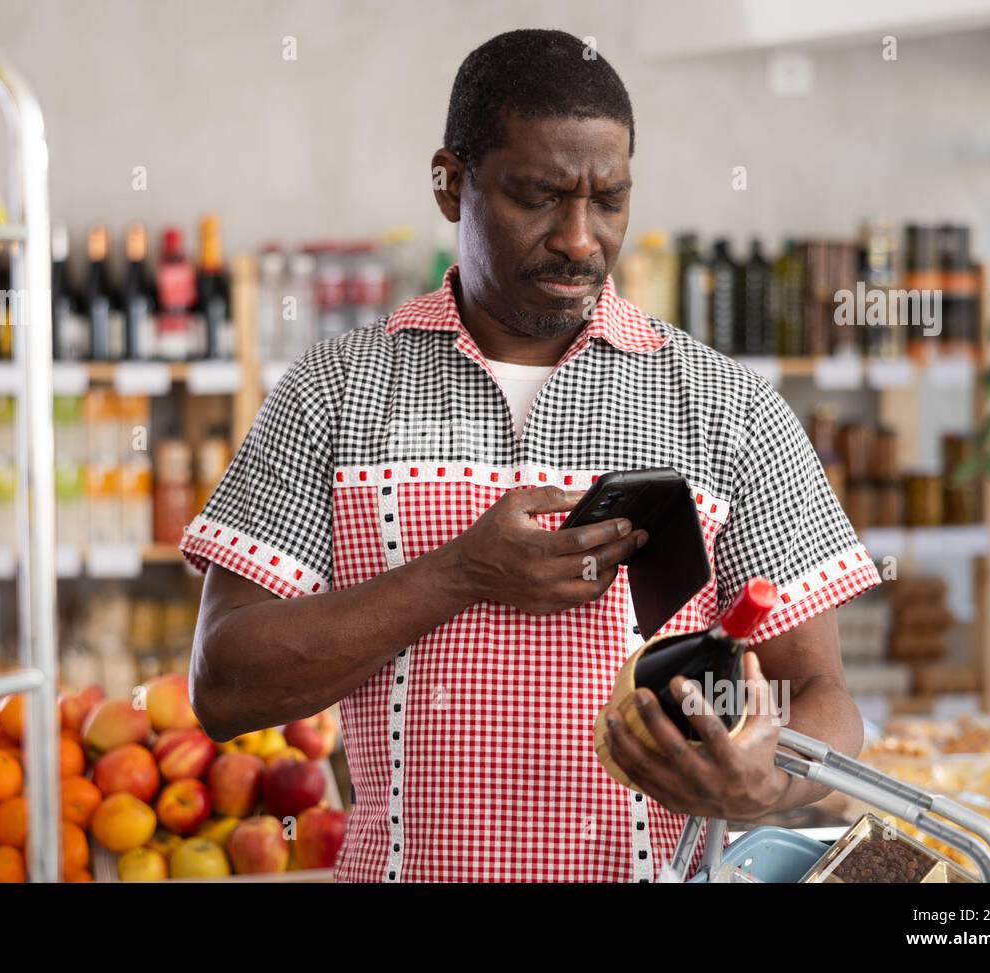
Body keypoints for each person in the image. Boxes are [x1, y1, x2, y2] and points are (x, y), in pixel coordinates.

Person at [183, 28, 879, 882]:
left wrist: (763, 780)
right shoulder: (333, 391)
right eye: (540, 196)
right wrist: (461, 574)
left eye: (610, 199)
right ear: (451, 183)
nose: (581, 238)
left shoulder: (725, 406)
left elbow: (827, 697)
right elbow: (224, 683)